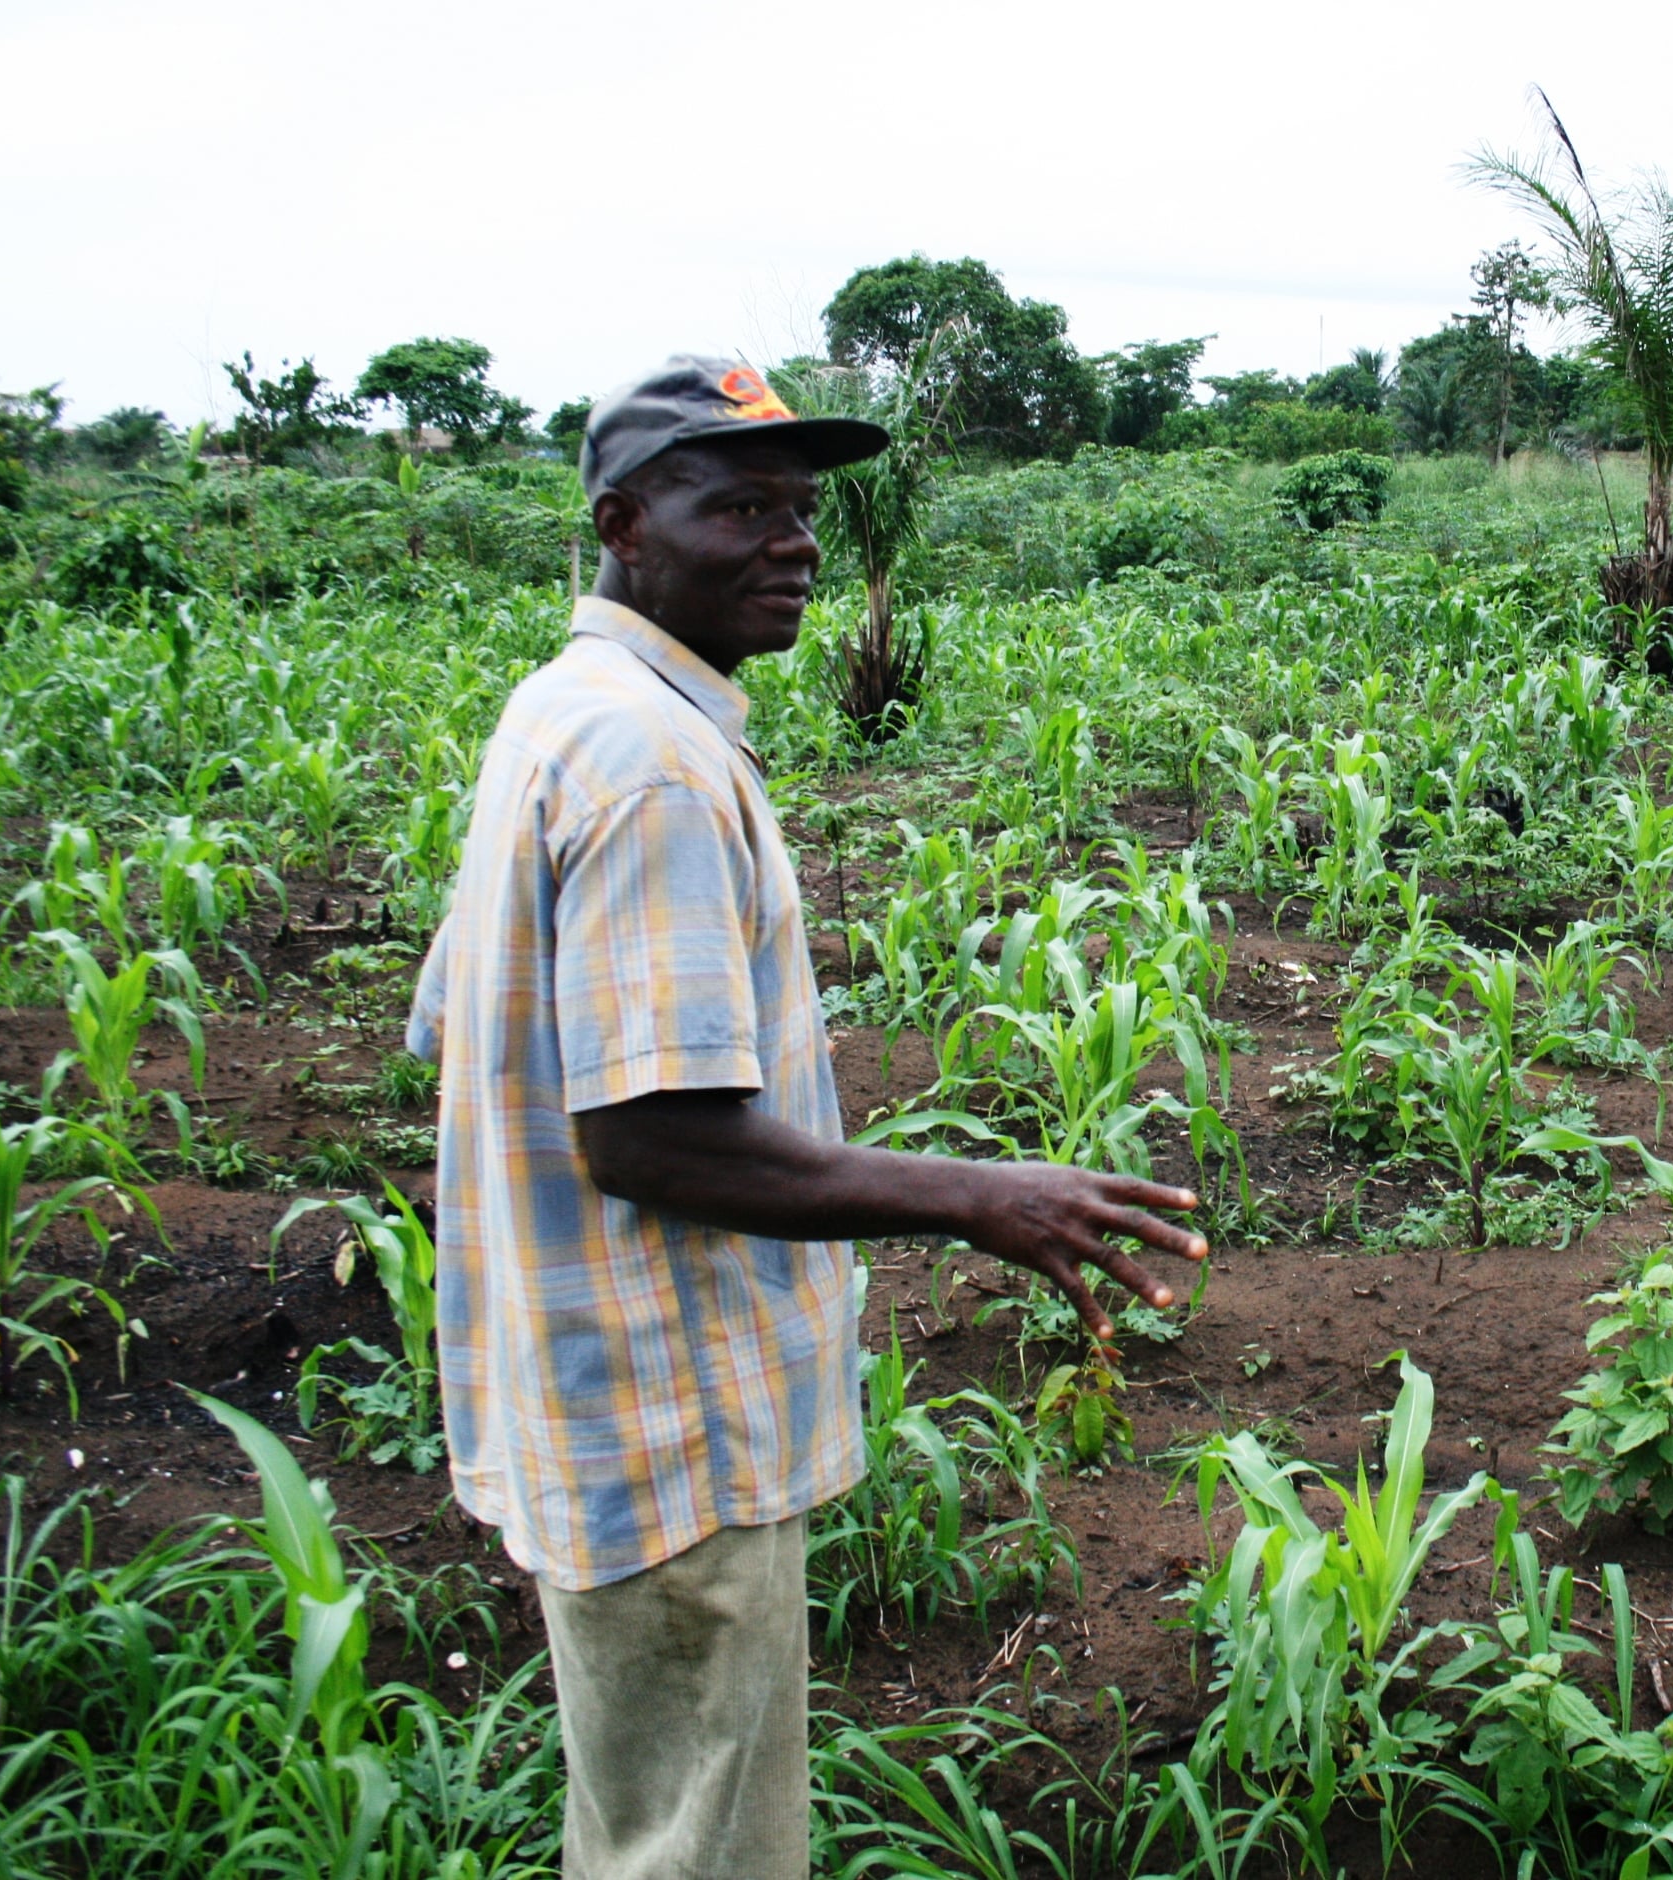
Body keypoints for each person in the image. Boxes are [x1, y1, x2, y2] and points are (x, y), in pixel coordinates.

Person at [406, 355, 1204, 1880]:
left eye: (801, 508)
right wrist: (982, 1197)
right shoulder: (649, 760)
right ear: (626, 523)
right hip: (670, 1426)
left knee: (644, 1829)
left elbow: (453, 1020)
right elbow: (652, 1140)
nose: (794, 542)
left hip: (593, 1400)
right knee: (699, 1855)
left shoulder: (566, 709)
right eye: (742, 506)